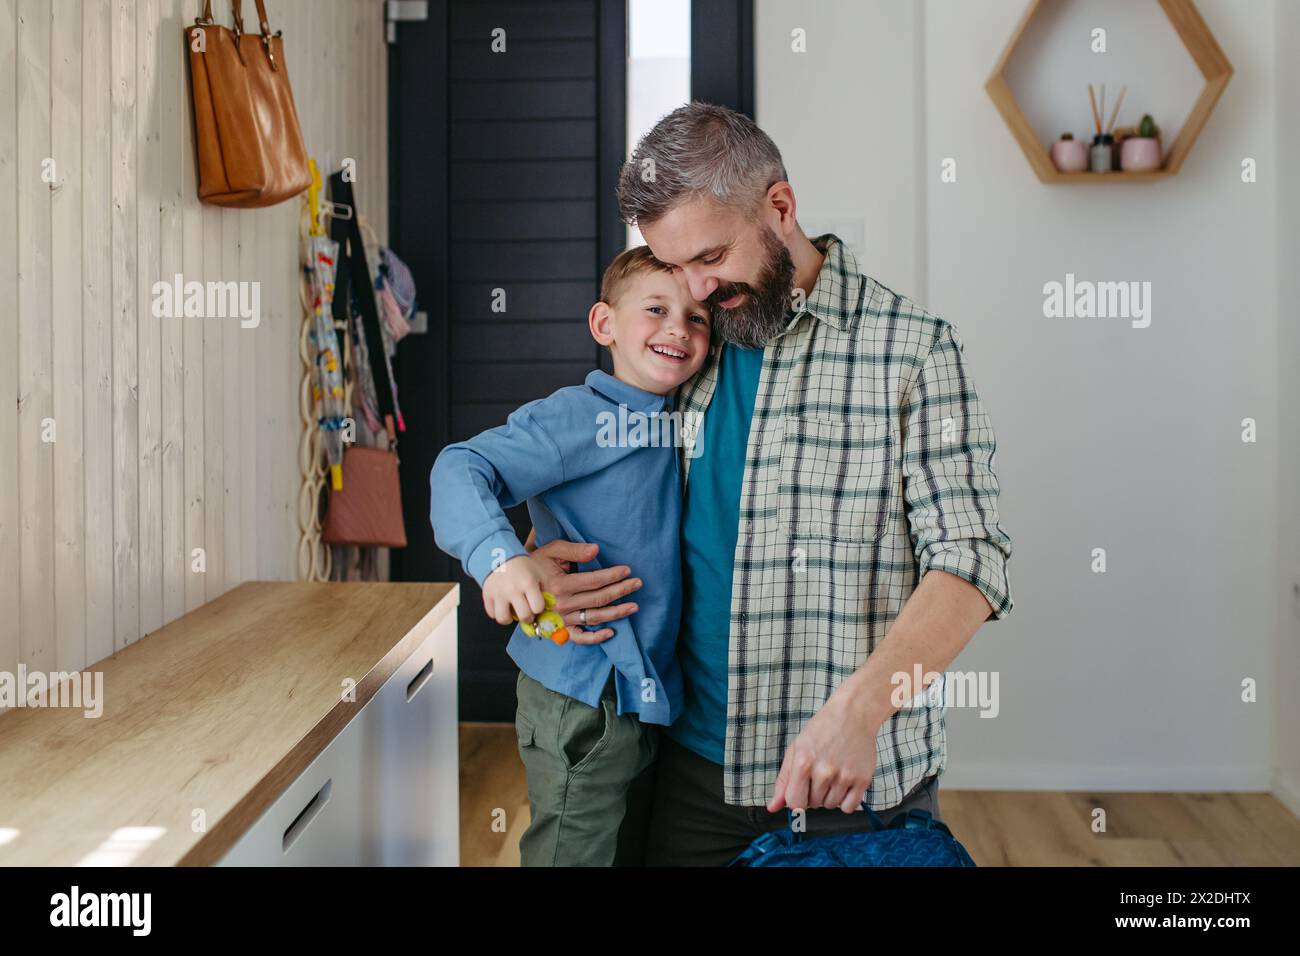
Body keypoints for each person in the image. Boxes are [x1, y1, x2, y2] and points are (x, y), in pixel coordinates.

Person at [533, 101, 1017, 865]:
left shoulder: (913, 353)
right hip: (688, 774)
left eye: (711, 256)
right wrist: (535, 564)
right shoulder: (683, 354)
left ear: (780, 208)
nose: (694, 289)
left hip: (853, 791)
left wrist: (861, 710)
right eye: (674, 265)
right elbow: (599, 482)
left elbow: (971, 561)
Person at [429, 246, 711, 866]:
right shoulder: (577, 416)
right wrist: (503, 559)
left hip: (640, 694)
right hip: (580, 693)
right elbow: (459, 466)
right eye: (657, 309)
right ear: (604, 325)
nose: (678, 329)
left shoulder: (676, 419)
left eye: (697, 318)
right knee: (569, 855)